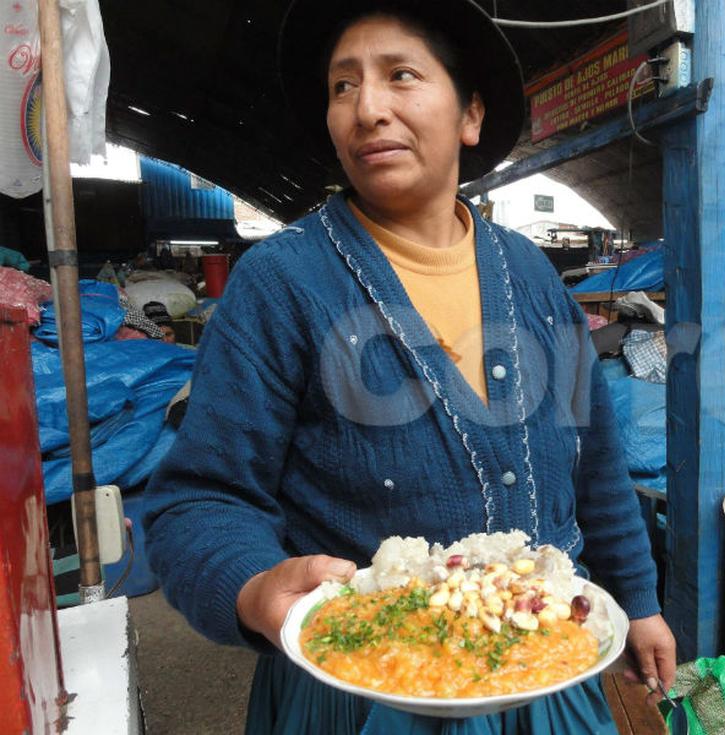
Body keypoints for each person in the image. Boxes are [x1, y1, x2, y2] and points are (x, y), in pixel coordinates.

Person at [143, 1, 676, 733]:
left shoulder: (534, 277)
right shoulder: (283, 283)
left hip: (550, 674)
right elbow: (198, 500)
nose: (367, 108)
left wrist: (638, 602)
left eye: (401, 75)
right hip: (366, 689)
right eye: (342, 86)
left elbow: (598, 466)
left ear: (471, 116)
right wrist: (254, 587)